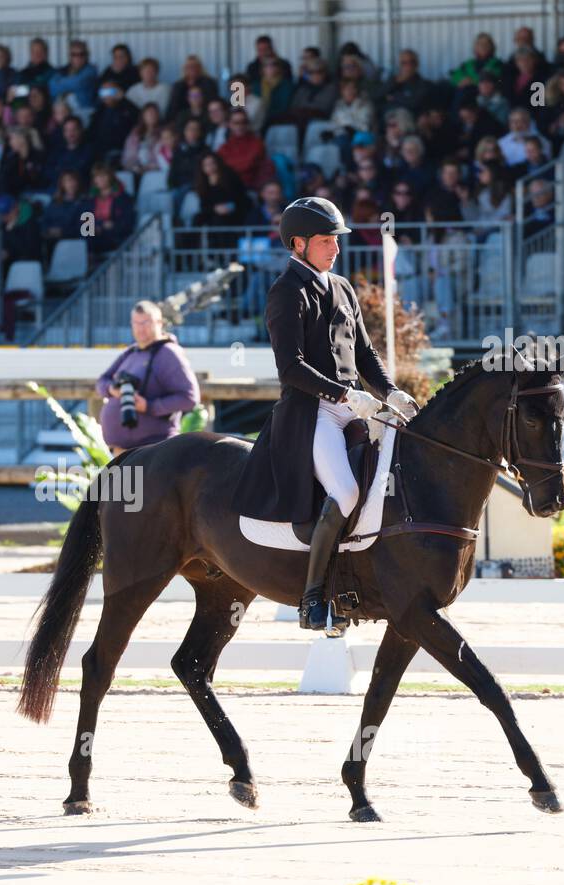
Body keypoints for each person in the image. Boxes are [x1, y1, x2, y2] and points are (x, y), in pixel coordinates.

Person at [228, 197, 418, 635]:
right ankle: (314, 597)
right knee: (348, 493)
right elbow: (290, 368)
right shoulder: (286, 292)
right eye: (326, 240)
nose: (335, 248)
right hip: (312, 413)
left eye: (336, 240)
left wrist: (390, 390)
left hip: (354, 408)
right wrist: (345, 396)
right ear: (299, 243)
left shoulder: (343, 287)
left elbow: (365, 352)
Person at [94, 301, 200, 455]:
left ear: (159, 323)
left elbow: (190, 398)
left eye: (145, 322)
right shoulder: (132, 351)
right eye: (136, 323)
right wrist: (113, 390)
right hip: (121, 454)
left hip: (153, 455)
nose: (140, 328)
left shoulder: (169, 353)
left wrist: (149, 406)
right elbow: (102, 381)